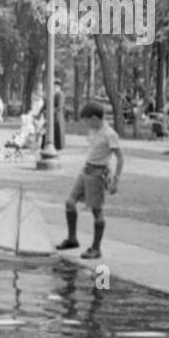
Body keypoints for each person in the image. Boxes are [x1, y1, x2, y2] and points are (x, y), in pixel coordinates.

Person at [56, 101, 123, 260]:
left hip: (97, 173)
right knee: (70, 202)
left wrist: (115, 180)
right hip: (86, 169)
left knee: (96, 211)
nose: (85, 124)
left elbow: (120, 158)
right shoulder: (93, 131)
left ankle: (96, 248)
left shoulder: (109, 134)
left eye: (86, 120)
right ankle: (72, 239)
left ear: (94, 118)